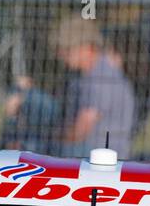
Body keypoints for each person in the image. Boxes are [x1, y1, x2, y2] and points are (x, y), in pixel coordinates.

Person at [53, 16, 135, 160]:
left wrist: (49, 138)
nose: (61, 54)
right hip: (92, 148)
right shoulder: (94, 73)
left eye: (68, 49)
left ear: (88, 48)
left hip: (98, 154)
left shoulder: (100, 78)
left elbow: (81, 130)